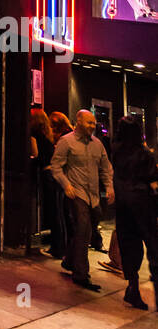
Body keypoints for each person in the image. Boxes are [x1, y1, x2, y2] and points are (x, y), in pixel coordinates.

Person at [50, 108, 115, 291]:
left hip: (93, 196)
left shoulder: (97, 144)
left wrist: (109, 187)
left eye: (94, 123)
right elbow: (56, 167)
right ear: (78, 122)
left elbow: (105, 168)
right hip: (76, 193)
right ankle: (81, 274)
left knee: (89, 227)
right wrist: (66, 185)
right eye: (89, 122)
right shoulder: (66, 142)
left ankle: (69, 260)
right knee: (83, 229)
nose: (92, 126)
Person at [110, 114, 158, 310]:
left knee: (130, 249)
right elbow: (153, 181)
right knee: (154, 249)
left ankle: (133, 288)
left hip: (123, 207)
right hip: (142, 205)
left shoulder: (115, 152)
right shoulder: (144, 155)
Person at [30, 108, 58, 253]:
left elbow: (35, 156)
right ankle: (57, 243)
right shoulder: (48, 135)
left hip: (46, 173)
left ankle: (56, 246)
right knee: (55, 210)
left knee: (50, 209)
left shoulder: (34, 135)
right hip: (53, 172)